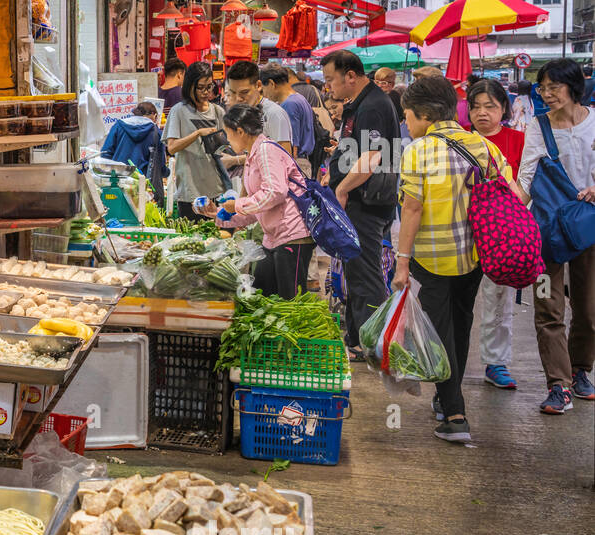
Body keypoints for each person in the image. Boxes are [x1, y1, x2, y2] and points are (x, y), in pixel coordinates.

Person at [393, 75, 511, 444]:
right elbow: (515, 195)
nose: (407, 125)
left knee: (439, 333)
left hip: (430, 257)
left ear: (423, 115)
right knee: (459, 325)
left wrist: (401, 262)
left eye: (408, 117)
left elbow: (412, 209)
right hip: (475, 256)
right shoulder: (483, 146)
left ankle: (456, 415)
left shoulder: (418, 150)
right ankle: (447, 402)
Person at [517, 57, 595, 415]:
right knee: (548, 309)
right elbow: (527, 177)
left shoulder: (594, 122)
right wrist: (508, 216)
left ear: (573, 86)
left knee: (588, 309)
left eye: (554, 87)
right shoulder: (538, 126)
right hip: (547, 231)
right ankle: (558, 385)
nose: (547, 94)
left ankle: (581, 370)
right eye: (542, 88)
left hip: (588, 229)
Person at [323, 49, 402, 358]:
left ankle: (372, 343)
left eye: (331, 80)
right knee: (356, 271)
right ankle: (355, 339)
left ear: (351, 76)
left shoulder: (372, 106)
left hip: (367, 203)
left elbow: (373, 157)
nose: (328, 87)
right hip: (365, 201)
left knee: (366, 274)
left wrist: (341, 189)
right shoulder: (360, 103)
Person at [197, 103, 316, 299]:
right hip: (272, 238)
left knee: (291, 303)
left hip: (292, 236)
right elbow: (257, 208)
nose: (226, 139)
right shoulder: (253, 155)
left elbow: (275, 192)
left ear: (240, 131)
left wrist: (236, 204)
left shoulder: (266, 150)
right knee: (263, 291)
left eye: (228, 133)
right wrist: (218, 214)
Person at [464, 78, 526, 391]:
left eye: (490, 106)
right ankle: (453, 362)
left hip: (502, 236)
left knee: (499, 301)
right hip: (462, 233)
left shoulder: (519, 140)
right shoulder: (459, 141)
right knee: (459, 302)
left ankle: (496, 362)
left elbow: (526, 184)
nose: (482, 113)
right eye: (475, 107)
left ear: (504, 108)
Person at [163, 61, 228, 220]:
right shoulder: (178, 111)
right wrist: (198, 133)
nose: (206, 92)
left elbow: (224, 149)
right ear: (190, 85)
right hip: (189, 191)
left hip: (216, 188)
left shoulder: (218, 112)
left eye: (210, 86)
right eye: (201, 87)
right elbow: (171, 148)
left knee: (216, 238)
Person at [223, 60, 293, 157]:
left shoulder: (274, 114)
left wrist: (236, 160)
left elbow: (284, 156)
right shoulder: (242, 113)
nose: (238, 98)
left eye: (244, 92)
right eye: (233, 93)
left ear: (258, 86)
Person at [261, 63, 315, 169]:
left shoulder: (288, 105)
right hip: (304, 161)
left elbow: (291, 146)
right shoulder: (299, 98)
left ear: (271, 84)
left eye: (264, 89)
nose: (265, 94)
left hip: (296, 163)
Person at [102, 101, 163, 186]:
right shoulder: (156, 132)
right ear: (154, 115)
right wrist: (166, 173)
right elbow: (160, 163)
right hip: (144, 184)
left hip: (118, 180)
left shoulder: (118, 126)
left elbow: (105, 153)